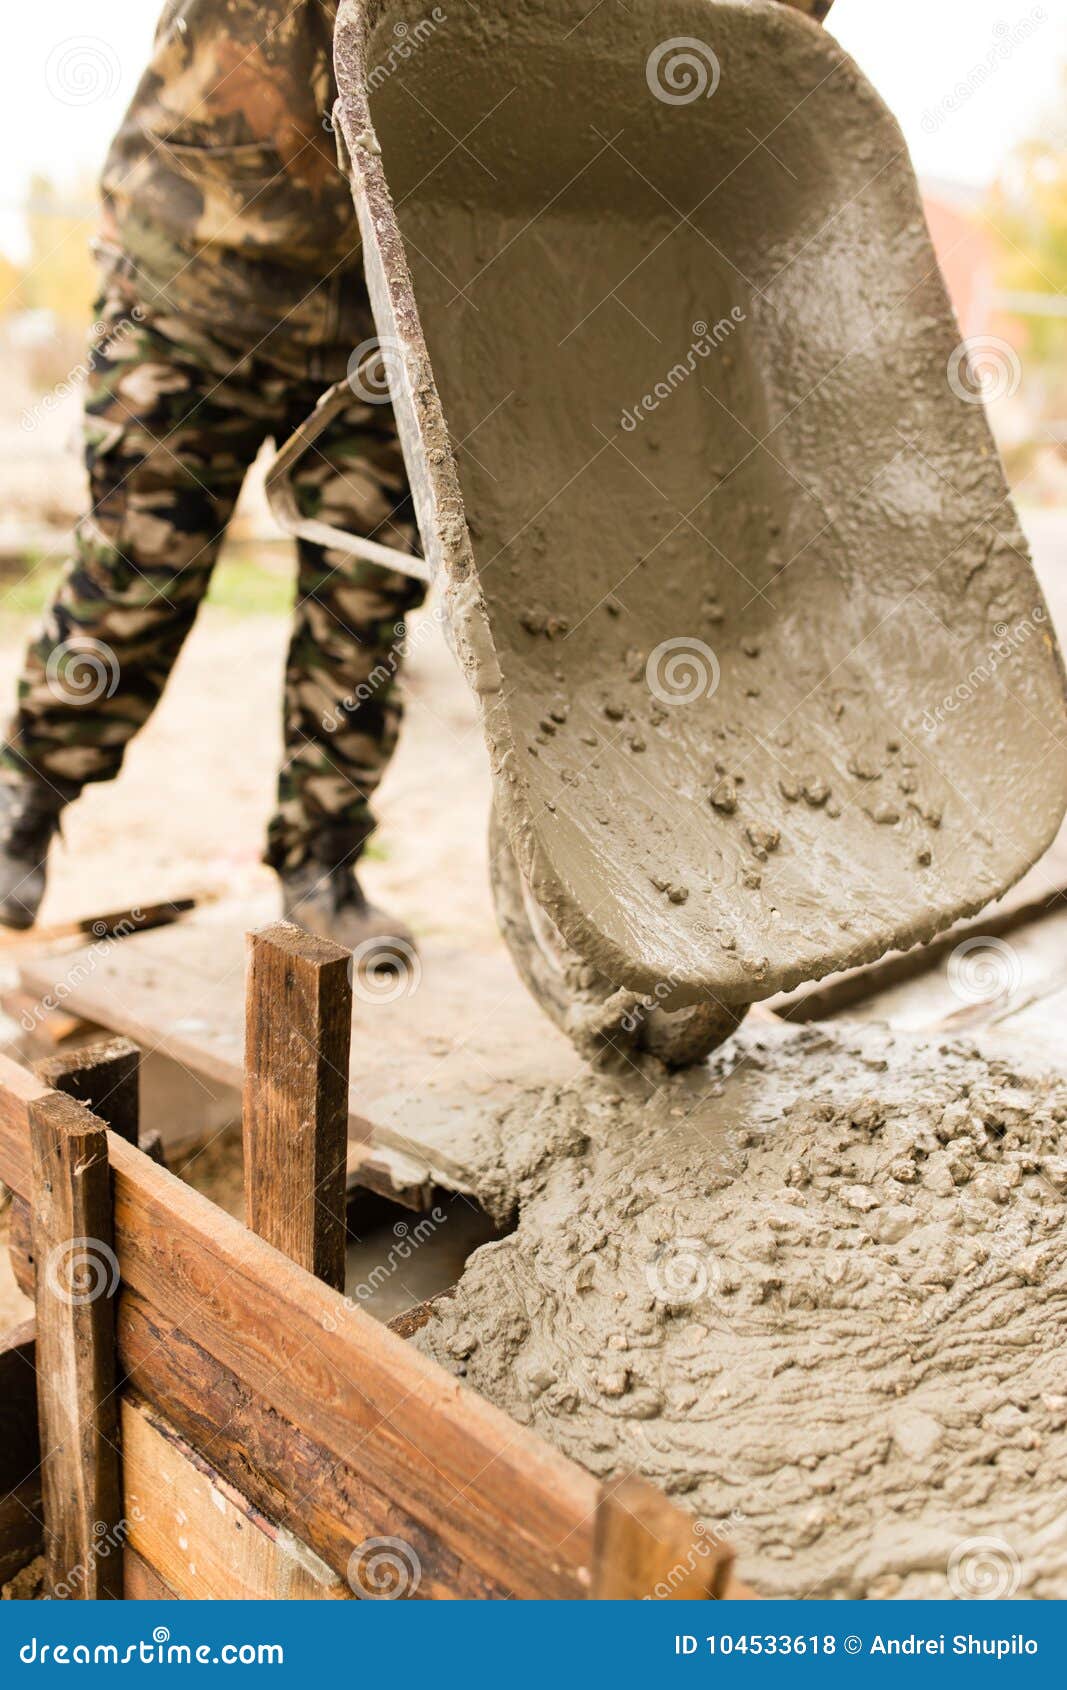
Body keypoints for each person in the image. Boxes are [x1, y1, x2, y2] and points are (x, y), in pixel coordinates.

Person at [0, 0, 424, 948]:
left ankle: (323, 869)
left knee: (365, 599)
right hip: (188, 275)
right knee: (140, 576)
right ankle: (23, 801)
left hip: (381, 310)